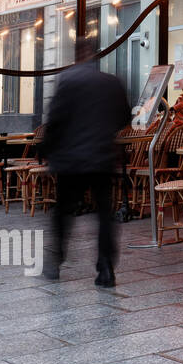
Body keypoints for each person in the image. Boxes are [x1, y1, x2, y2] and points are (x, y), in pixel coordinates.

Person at [39, 45, 131, 285]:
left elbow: (55, 119)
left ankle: (55, 261)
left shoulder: (67, 79)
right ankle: (106, 268)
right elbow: (124, 118)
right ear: (93, 57)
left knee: (63, 211)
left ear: (76, 56)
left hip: (71, 159)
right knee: (104, 214)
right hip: (102, 156)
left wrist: (47, 149)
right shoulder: (111, 82)